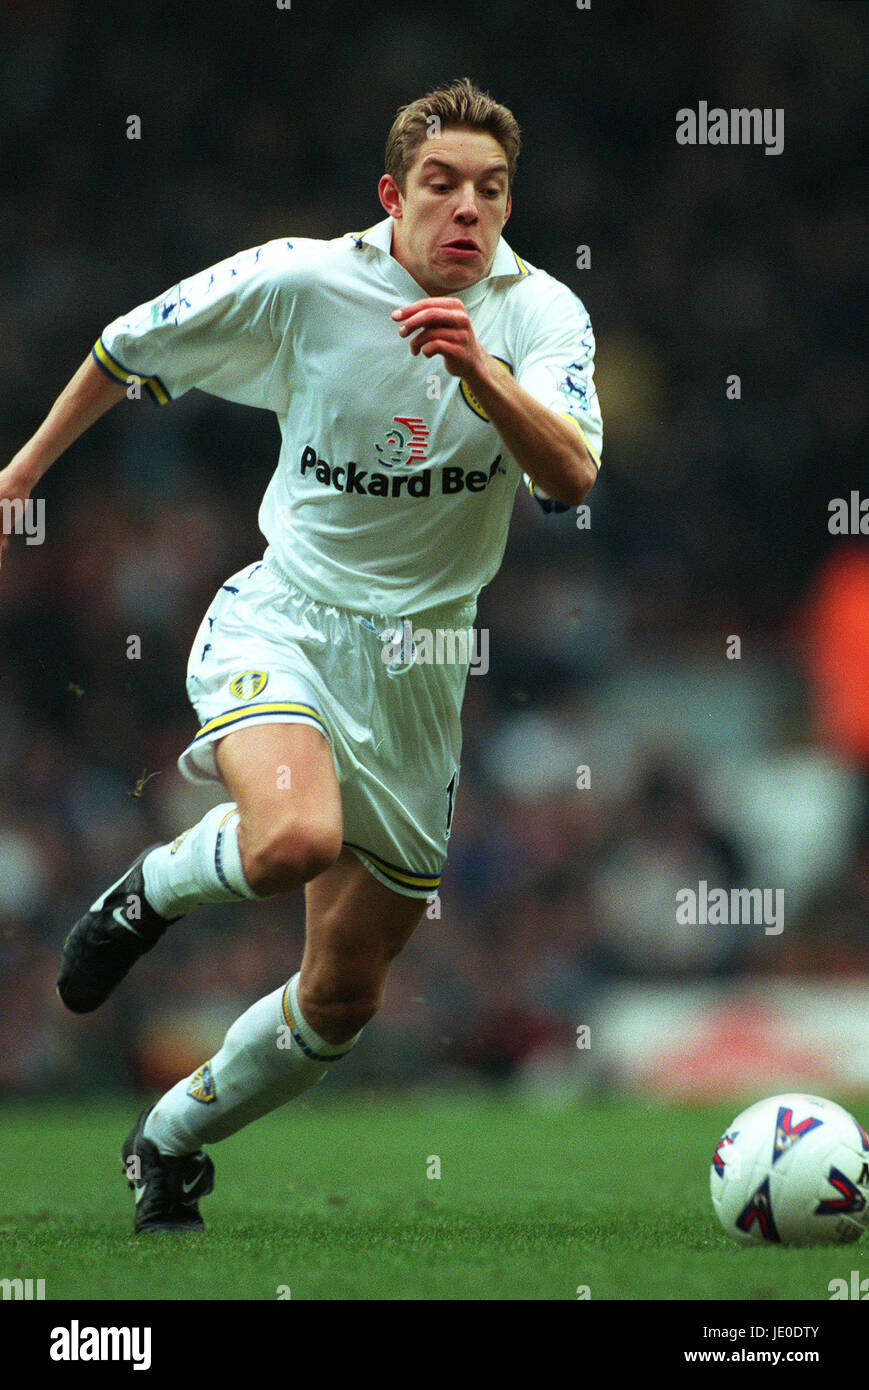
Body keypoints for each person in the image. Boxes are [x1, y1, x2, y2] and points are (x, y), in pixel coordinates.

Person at [0, 78, 602, 1232]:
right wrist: (23, 472)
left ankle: (167, 1140)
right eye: (439, 185)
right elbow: (126, 347)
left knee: (340, 997)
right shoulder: (301, 279)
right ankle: (149, 891)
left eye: (488, 190)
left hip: (422, 673)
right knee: (292, 837)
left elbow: (569, 476)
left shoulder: (539, 318)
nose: (465, 210)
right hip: (287, 619)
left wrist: (478, 369)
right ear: (391, 195)